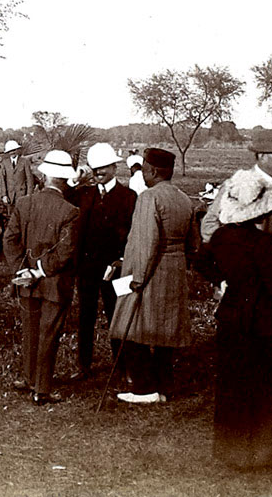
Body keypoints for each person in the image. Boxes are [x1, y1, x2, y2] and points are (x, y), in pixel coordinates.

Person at [197, 169, 272, 469]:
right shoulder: (262, 243)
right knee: (259, 384)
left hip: (231, 314)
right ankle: (256, 451)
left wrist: (222, 280)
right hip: (260, 319)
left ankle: (230, 450)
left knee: (231, 383)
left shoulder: (221, 237)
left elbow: (200, 261)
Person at [109, 148, 195, 404]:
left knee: (133, 326)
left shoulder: (149, 198)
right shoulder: (184, 198)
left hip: (152, 270)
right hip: (175, 270)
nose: (142, 174)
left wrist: (137, 278)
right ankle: (164, 385)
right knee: (166, 330)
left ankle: (144, 388)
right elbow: (193, 243)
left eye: (145, 170)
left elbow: (146, 242)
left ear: (155, 171)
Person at [3, 150, 79, 406]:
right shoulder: (70, 211)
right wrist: (39, 271)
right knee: (49, 334)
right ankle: (42, 389)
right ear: (65, 179)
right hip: (54, 284)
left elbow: (9, 240)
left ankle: (29, 378)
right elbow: (65, 251)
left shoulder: (24, 204)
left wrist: (22, 271)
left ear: (44, 176)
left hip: (27, 281)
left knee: (30, 331)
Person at [202, 128, 272, 306]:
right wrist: (233, 264)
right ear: (262, 156)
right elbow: (209, 226)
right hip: (251, 287)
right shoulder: (239, 186)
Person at [72, 143, 137, 379]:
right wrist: (76, 179)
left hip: (115, 267)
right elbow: (65, 196)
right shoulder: (84, 194)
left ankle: (122, 366)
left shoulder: (128, 196)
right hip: (87, 267)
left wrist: (122, 259)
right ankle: (84, 365)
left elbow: (132, 233)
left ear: (114, 167)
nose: (99, 172)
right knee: (85, 316)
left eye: (104, 167)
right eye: (95, 168)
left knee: (116, 315)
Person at [0, 140, 36, 209]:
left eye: (14, 150)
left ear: (17, 150)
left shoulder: (24, 161)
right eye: (10, 151)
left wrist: (29, 195)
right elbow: (2, 180)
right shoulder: (5, 163)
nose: (12, 153)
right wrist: (4, 195)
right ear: (8, 152)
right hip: (10, 196)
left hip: (22, 195)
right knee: (10, 214)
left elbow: (29, 180)